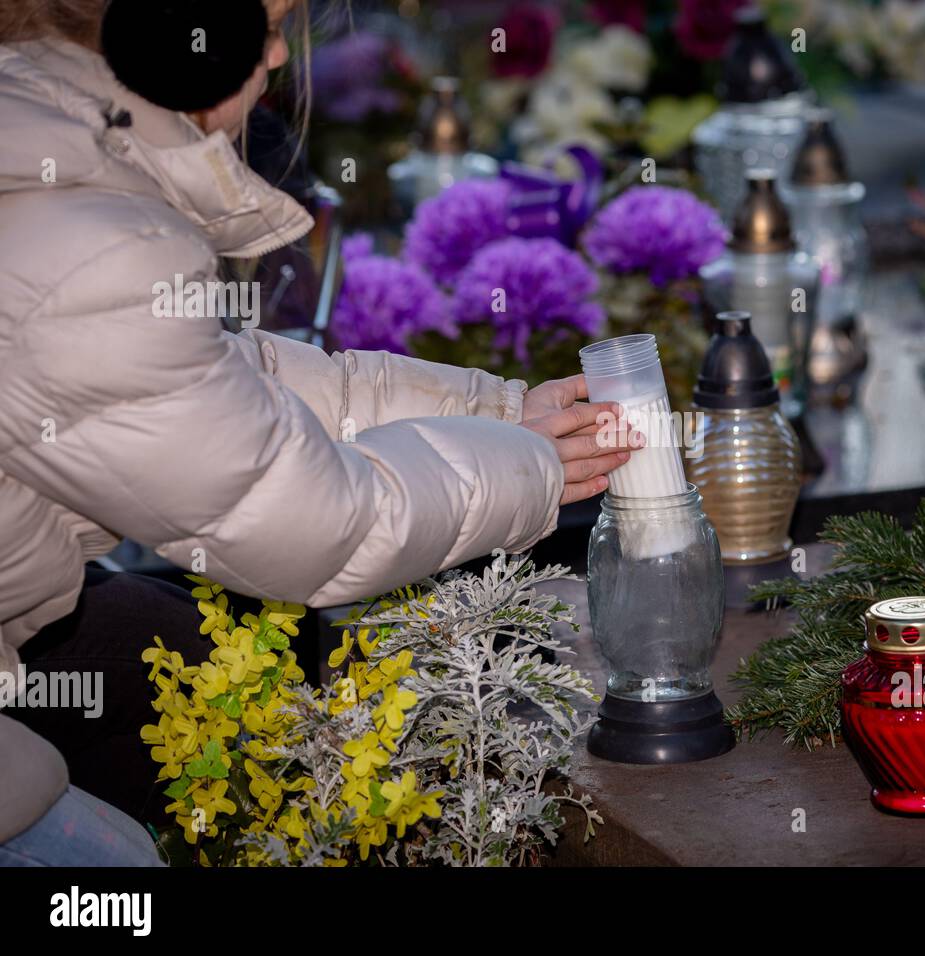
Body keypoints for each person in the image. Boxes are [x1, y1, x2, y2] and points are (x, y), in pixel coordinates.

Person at [0, 0, 637, 864]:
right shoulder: (83, 237)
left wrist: (494, 413)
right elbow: (319, 525)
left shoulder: (46, 153)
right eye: (256, 22)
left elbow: (228, 387)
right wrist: (532, 468)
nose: (272, 56)